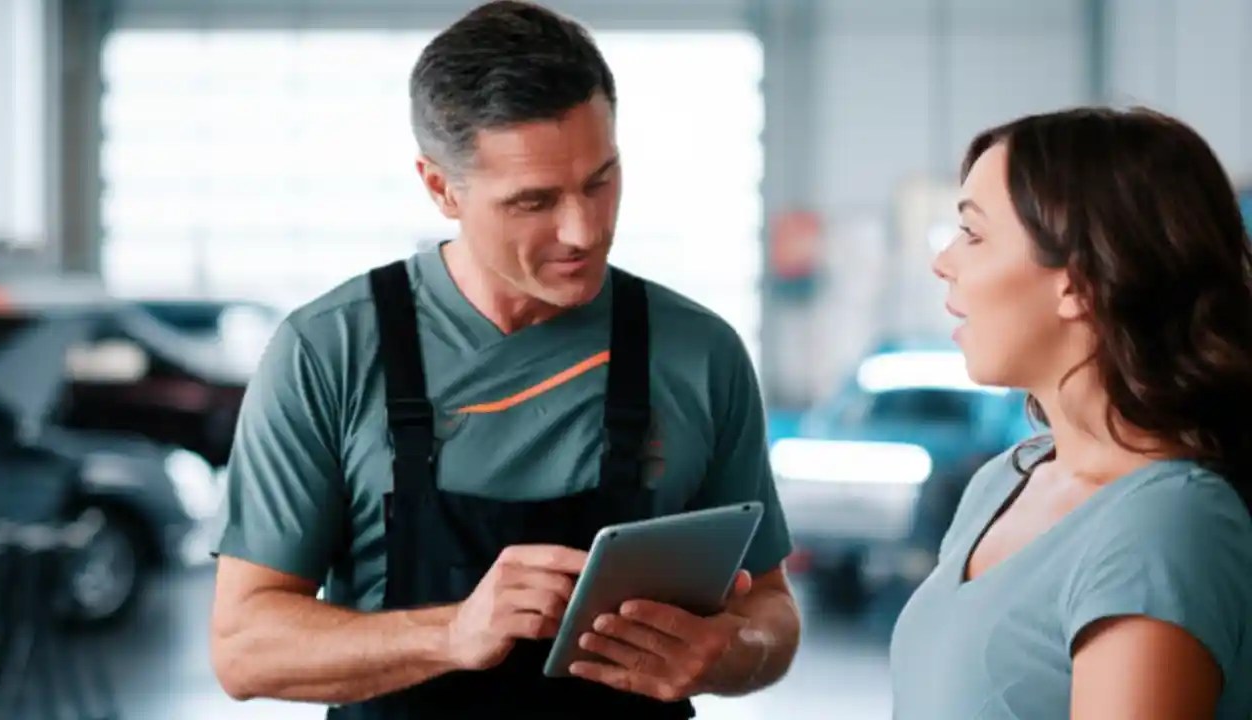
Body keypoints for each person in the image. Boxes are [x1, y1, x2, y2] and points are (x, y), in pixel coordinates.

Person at [207, 2, 801, 718]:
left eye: (600, 181)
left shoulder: (701, 354)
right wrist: (450, 633)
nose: (583, 230)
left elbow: (769, 607)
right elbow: (244, 648)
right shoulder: (326, 352)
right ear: (440, 188)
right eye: (533, 202)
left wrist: (734, 654)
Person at [890, 106, 1252, 719]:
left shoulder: (1164, 525)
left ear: (1079, 282)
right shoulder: (1006, 480)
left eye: (974, 234)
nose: (943, 261)